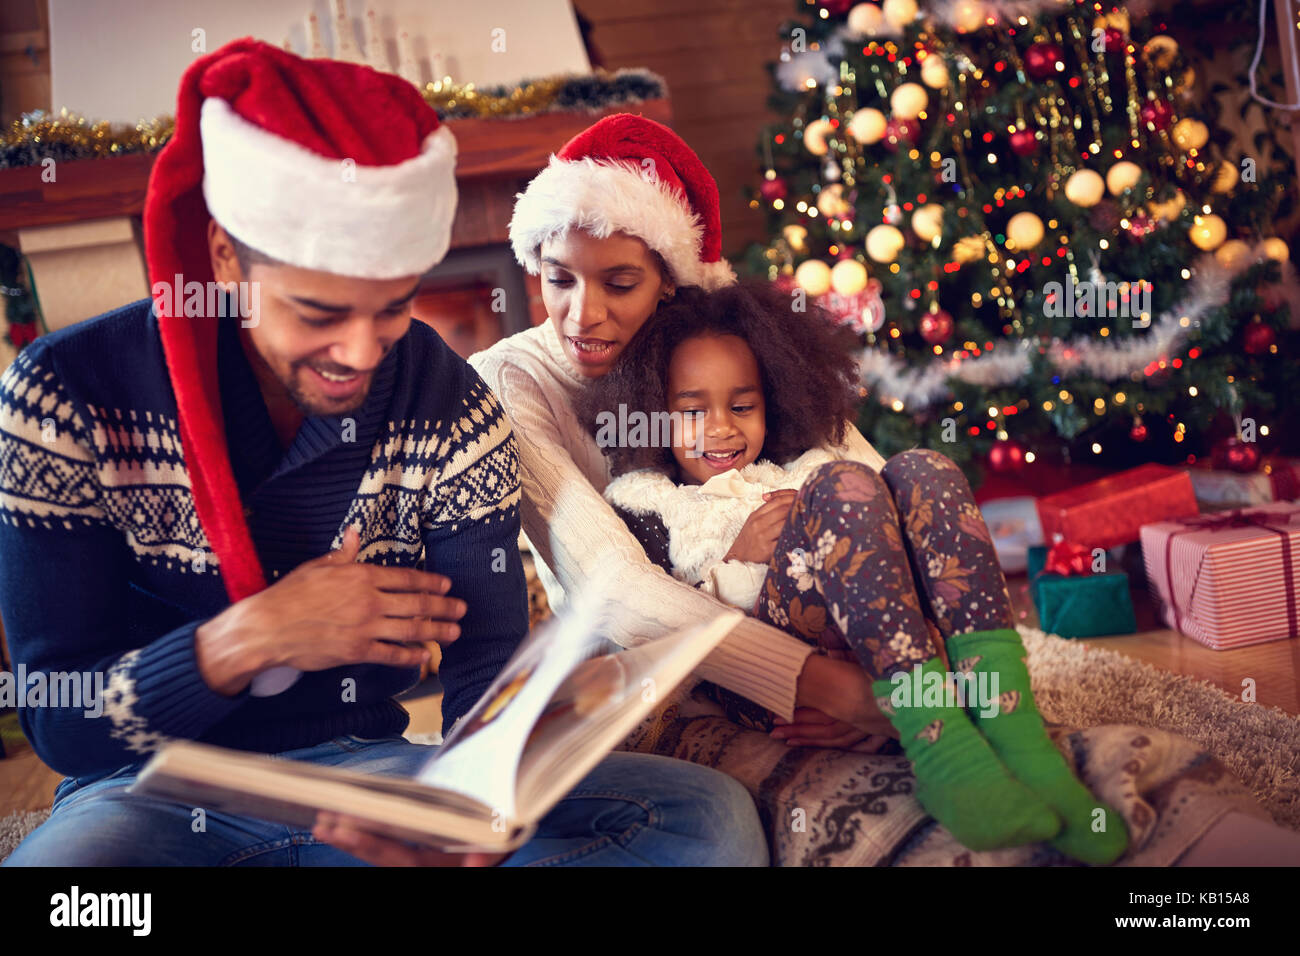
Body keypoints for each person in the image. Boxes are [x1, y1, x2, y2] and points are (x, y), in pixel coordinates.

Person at [0, 40, 766, 868]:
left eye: (393, 307)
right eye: (320, 311)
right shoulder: (65, 393)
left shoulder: (449, 400)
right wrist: (249, 639)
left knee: (706, 820)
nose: (362, 353)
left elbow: (485, 679)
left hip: (373, 776)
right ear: (226, 258)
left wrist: (475, 812)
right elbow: (57, 719)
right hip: (142, 795)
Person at [577, 281, 1132, 862]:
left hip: (864, 648)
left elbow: (903, 564)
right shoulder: (648, 506)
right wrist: (737, 555)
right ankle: (942, 751)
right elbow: (658, 635)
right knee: (840, 487)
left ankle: (1013, 729)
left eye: (742, 406)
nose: (721, 428)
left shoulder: (801, 468)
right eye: (692, 411)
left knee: (924, 469)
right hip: (752, 678)